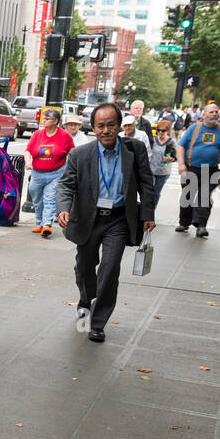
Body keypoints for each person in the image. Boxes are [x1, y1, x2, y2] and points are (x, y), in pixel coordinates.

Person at [56, 103, 157, 344]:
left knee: (110, 269)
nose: (106, 130)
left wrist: (148, 213)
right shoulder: (79, 154)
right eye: (100, 126)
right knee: (84, 268)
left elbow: (146, 183)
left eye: (111, 125)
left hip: (119, 219)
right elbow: (65, 185)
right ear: (93, 127)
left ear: (119, 126)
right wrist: (63, 208)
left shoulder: (135, 149)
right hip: (88, 219)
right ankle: (85, 299)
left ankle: (98, 323)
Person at [176, 102, 220, 238]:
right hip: (191, 168)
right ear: (204, 114)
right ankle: (184, 223)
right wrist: (181, 164)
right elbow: (181, 146)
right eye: (211, 112)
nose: (214, 114)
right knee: (187, 197)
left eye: (216, 111)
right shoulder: (194, 128)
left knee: (204, 197)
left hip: (211, 170)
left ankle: (201, 226)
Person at [25, 107, 76, 238]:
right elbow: (28, 150)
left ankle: (47, 224)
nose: (44, 120)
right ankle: (39, 222)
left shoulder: (65, 136)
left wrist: (70, 169)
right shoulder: (37, 134)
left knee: (49, 198)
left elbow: (73, 153)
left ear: (56, 121)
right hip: (37, 173)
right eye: (44, 118)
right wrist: (28, 162)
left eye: (47, 119)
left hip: (56, 173)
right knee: (36, 197)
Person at [145, 118, 176, 202]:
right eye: (158, 130)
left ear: (168, 130)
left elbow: (175, 157)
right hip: (151, 170)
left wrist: (171, 158)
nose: (161, 132)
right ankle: (146, 210)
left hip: (163, 172)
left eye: (163, 130)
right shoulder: (153, 140)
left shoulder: (171, 142)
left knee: (156, 193)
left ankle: (151, 211)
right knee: (148, 192)